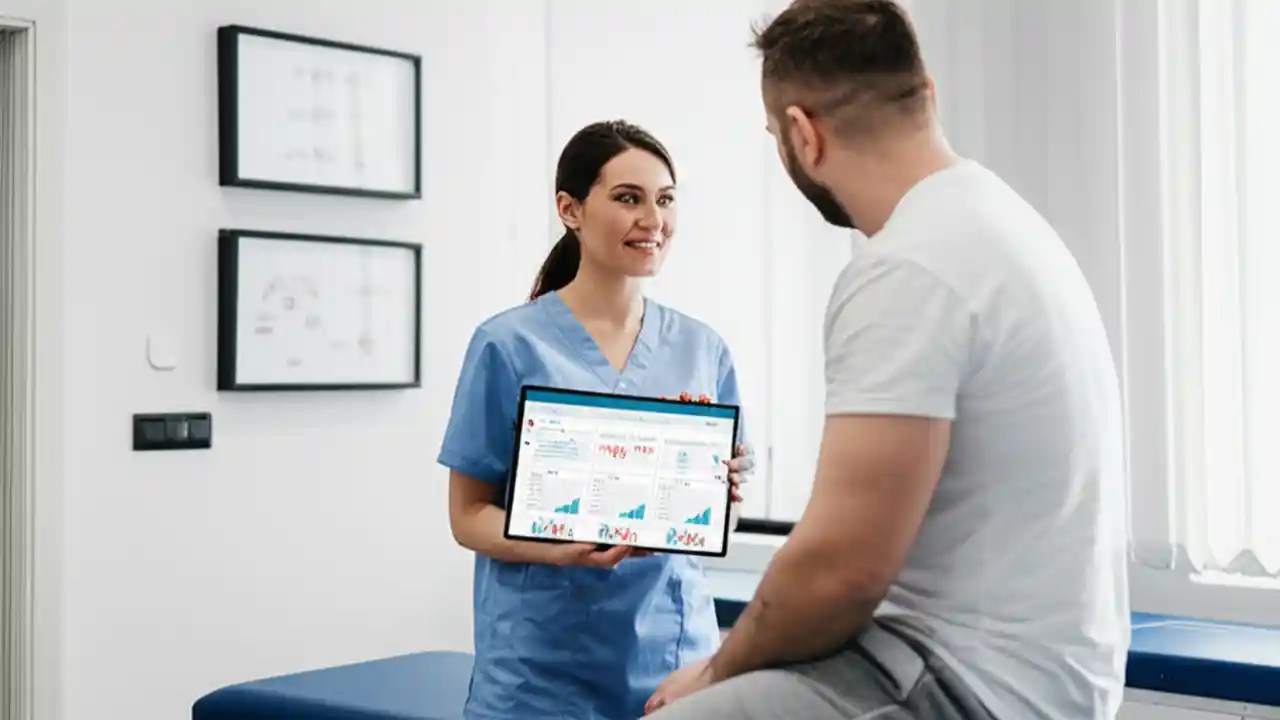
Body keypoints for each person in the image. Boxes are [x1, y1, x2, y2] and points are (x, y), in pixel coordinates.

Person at [645, 1, 1129, 718]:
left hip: (975, 690)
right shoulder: (998, 222)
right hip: (1036, 673)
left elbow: (842, 570)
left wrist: (715, 673)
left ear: (803, 137)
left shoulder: (909, 268)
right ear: (926, 90)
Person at [438, 119, 754, 720]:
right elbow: (466, 516)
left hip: (674, 659)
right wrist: (559, 549)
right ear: (570, 209)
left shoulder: (701, 348)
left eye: (664, 200)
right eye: (628, 198)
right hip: (540, 674)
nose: (653, 220)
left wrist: (722, 495)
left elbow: (718, 524)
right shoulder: (507, 345)